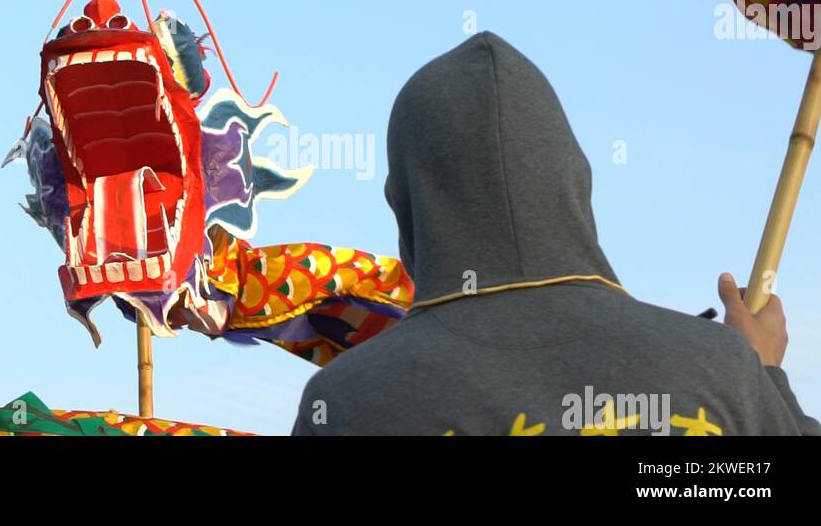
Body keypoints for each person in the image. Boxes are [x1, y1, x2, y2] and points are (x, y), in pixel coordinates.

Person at [291, 32, 820, 436]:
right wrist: (763, 377)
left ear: (407, 206)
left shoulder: (347, 403)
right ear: (575, 182)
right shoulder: (716, 367)